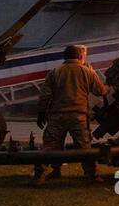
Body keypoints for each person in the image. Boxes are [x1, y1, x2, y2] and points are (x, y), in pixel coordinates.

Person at [33, 44, 109, 184]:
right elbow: (100, 91)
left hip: (57, 117)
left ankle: (42, 175)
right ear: (80, 56)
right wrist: (109, 87)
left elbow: (45, 96)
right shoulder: (87, 72)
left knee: (50, 147)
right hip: (79, 116)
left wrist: (41, 113)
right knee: (85, 148)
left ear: (65, 57)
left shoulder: (55, 72)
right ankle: (93, 175)